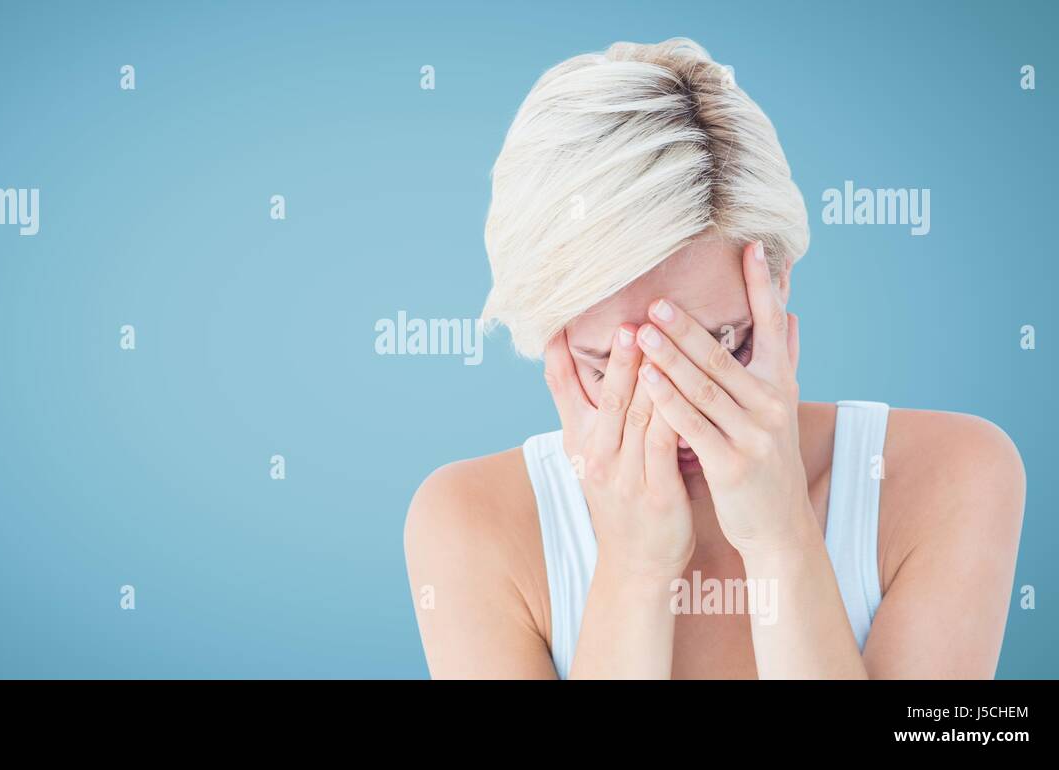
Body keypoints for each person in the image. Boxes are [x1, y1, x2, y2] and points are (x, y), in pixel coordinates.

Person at [403, 39, 1025, 679]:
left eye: (722, 347)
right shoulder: (468, 524)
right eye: (610, 369)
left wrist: (779, 539)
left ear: (779, 288)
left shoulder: (952, 477)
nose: (673, 418)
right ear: (550, 342)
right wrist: (635, 570)